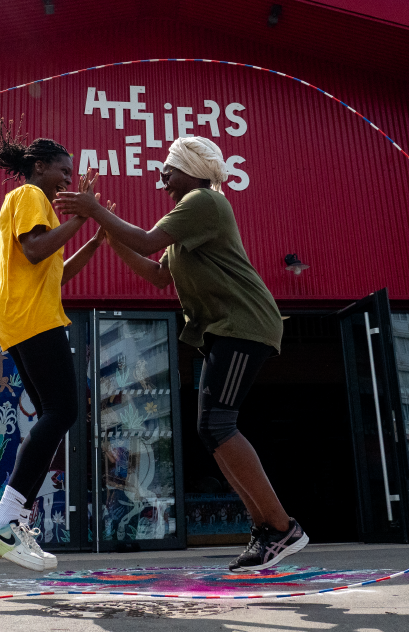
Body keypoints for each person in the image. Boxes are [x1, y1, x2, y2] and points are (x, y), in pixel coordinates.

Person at [56, 136, 308, 572]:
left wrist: (96, 209)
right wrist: (110, 237)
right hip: (224, 328)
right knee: (211, 428)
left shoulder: (203, 201)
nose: (161, 178)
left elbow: (149, 240)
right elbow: (157, 274)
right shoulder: (189, 219)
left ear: (191, 169)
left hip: (242, 323)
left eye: (167, 169)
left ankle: (280, 526)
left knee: (217, 423)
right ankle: (268, 529)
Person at [0, 119, 111, 572]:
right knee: (63, 411)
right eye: (64, 172)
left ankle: (10, 518)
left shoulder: (41, 210)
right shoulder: (29, 196)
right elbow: (35, 250)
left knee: (55, 413)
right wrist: (80, 216)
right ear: (40, 166)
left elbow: (54, 273)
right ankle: (5, 519)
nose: (69, 180)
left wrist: (91, 240)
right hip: (31, 321)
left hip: (23, 318)